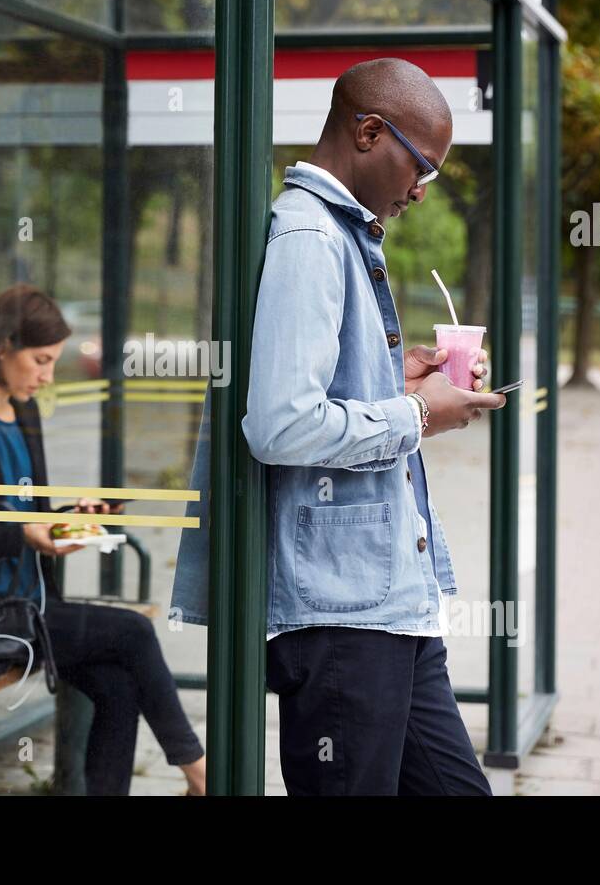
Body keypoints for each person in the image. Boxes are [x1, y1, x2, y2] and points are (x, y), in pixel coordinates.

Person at [172, 58, 504, 795]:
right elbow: (282, 426)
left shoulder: (342, 234)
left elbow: (324, 397)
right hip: (343, 618)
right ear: (367, 131)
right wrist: (417, 414)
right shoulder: (310, 239)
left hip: (391, 607)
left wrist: (401, 384)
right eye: (422, 167)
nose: (421, 189)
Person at [0, 284, 206, 795]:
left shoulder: (23, 413)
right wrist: (21, 531)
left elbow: (29, 517)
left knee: (116, 686)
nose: (46, 376)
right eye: (40, 361)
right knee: (132, 632)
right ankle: (201, 773)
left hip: (30, 606)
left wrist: (71, 519)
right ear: (2, 347)